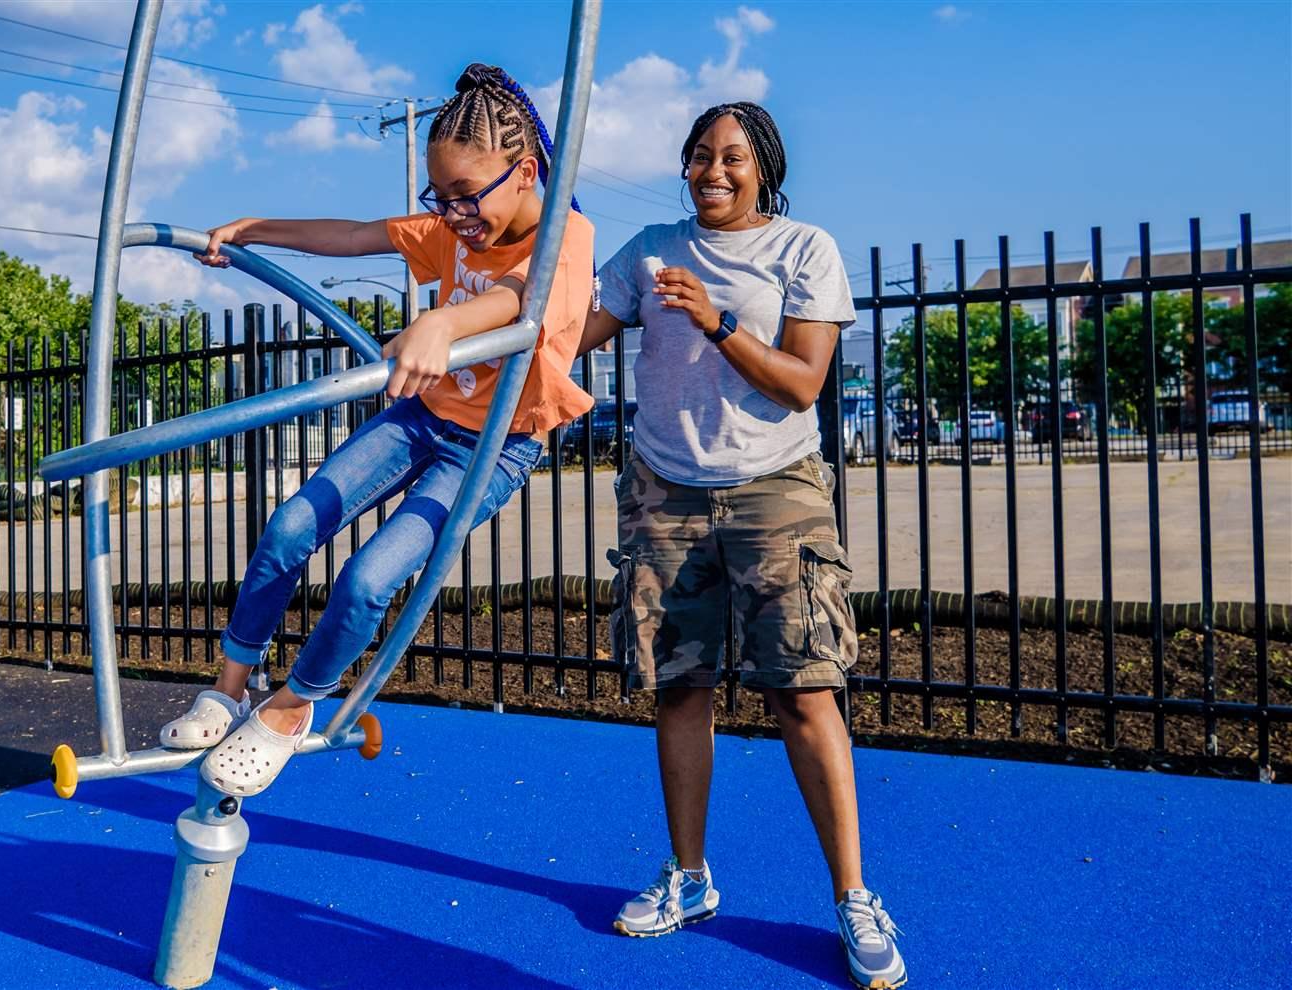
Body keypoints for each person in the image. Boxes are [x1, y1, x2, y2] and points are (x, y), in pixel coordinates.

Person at [159, 64, 595, 800]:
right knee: (291, 525)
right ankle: (230, 688)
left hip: (494, 448)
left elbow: (522, 300)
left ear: (525, 173)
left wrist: (443, 322)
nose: (454, 215)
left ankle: (290, 708)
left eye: (467, 195)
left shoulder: (566, 237)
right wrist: (251, 230)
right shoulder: (456, 226)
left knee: (366, 581)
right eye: (440, 198)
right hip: (423, 416)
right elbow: (356, 235)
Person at [579, 102, 907, 990]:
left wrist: (718, 319)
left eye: (731, 156)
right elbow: (568, 332)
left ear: (764, 167)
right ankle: (689, 878)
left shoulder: (805, 249)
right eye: (698, 155)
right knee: (679, 688)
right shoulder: (651, 249)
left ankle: (854, 898)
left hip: (775, 489)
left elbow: (802, 384)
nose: (711, 171)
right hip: (665, 491)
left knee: (804, 691)